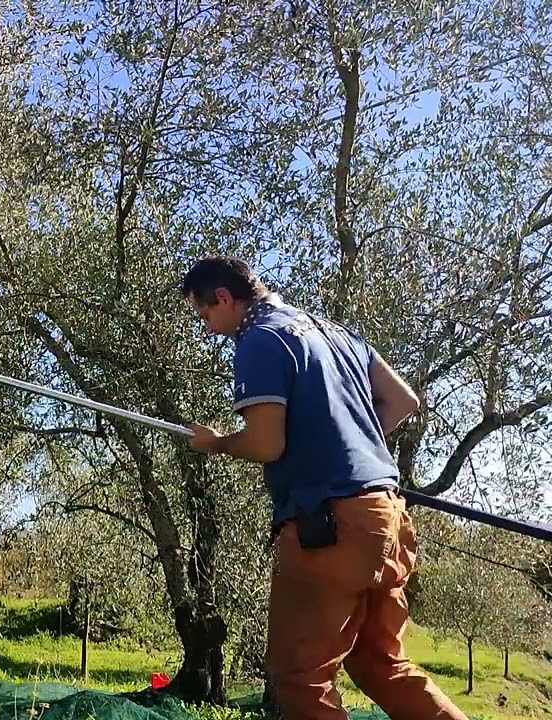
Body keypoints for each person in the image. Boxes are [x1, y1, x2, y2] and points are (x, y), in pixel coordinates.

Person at [178, 257, 466, 720]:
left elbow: (267, 444)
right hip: (388, 514)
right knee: (379, 664)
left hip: (330, 526)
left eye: (205, 313)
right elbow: (403, 401)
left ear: (225, 298)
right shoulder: (338, 334)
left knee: (299, 674)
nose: (207, 326)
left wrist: (216, 442)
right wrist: (348, 447)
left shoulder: (259, 339)